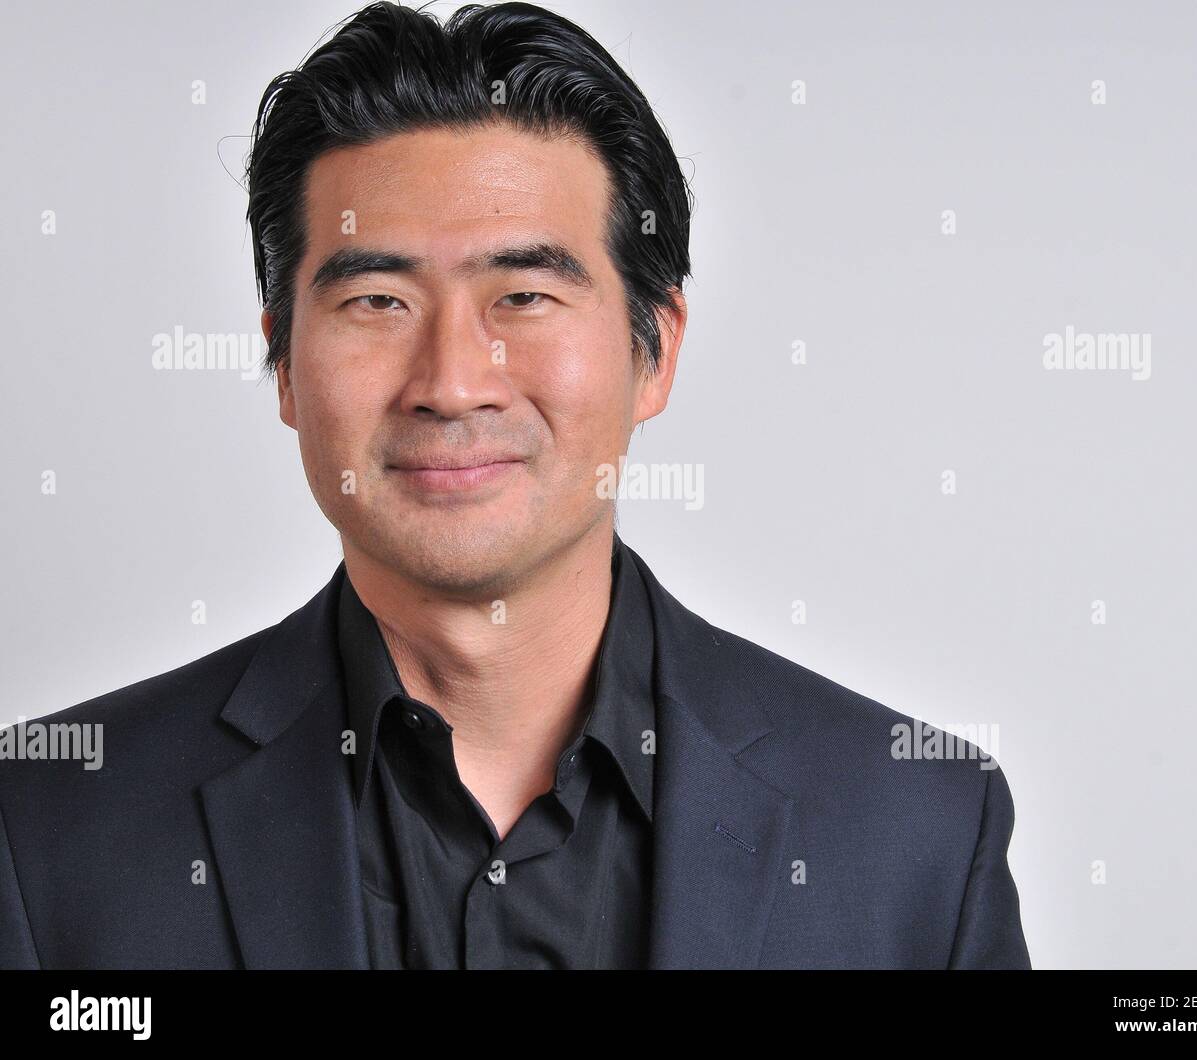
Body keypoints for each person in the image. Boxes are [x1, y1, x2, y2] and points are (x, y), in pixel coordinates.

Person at [0, 1, 1030, 969]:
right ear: (283, 362)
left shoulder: (915, 832)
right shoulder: (50, 825)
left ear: (654, 350)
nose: (452, 382)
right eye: (376, 299)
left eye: (524, 293)